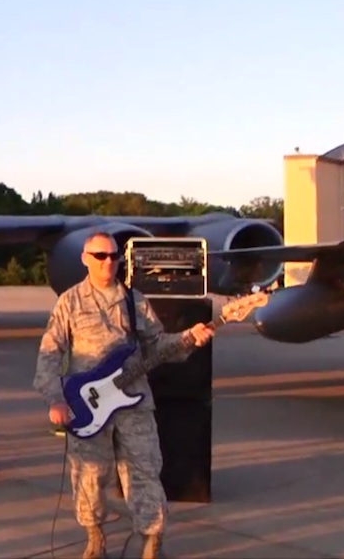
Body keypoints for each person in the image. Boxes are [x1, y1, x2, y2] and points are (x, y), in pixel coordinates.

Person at [33, 232, 214, 559]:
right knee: (89, 475)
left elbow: (157, 346)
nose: (108, 263)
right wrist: (55, 398)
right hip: (85, 404)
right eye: (100, 256)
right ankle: (94, 536)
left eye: (114, 256)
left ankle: (151, 540)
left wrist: (189, 338)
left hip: (134, 402)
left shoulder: (135, 301)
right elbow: (49, 353)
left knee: (144, 471)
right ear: (85, 259)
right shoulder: (70, 302)